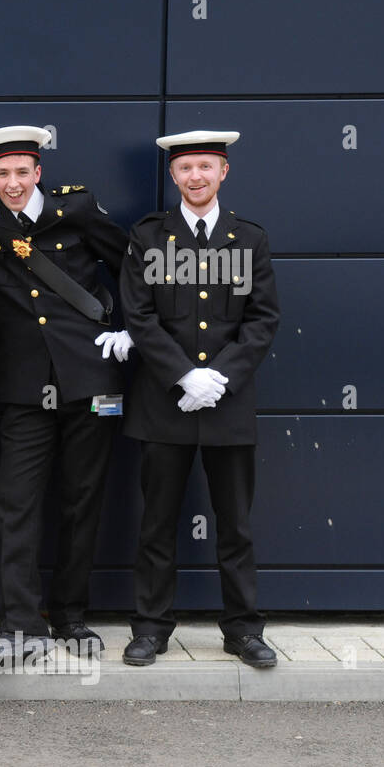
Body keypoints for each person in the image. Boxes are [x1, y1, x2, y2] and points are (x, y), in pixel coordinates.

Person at [0, 126, 130, 671]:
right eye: (1, 174)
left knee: (83, 498)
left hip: (92, 376)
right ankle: (21, 625)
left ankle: (71, 614)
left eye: (21, 172)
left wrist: (131, 330)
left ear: (38, 172)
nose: (12, 183)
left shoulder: (75, 208)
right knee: (17, 502)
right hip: (25, 387)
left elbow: (135, 264)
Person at [119, 130, 280, 668]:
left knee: (234, 525)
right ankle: (151, 628)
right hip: (164, 402)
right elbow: (138, 315)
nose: (195, 177)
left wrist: (220, 379)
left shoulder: (248, 238)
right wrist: (184, 376)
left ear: (223, 172)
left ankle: (242, 630)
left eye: (206, 167)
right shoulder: (148, 236)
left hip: (228, 406)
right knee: (157, 524)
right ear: (173, 175)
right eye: (186, 168)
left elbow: (262, 319)